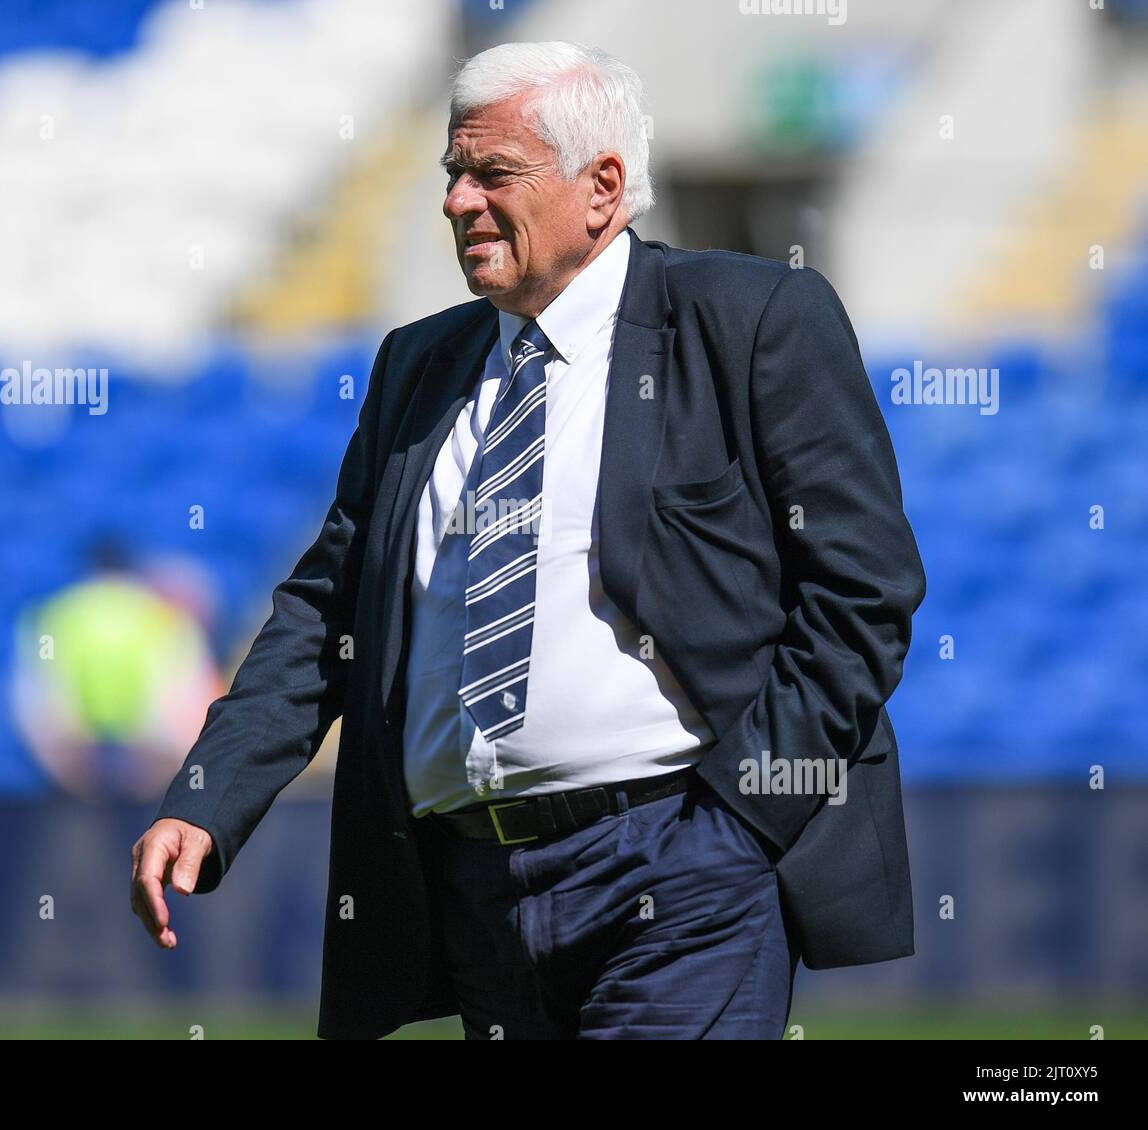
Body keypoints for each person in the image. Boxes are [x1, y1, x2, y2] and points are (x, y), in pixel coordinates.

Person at [130, 40, 926, 1040]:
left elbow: (863, 589)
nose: (460, 202)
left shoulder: (752, 318)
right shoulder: (416, 363)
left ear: (601, 188)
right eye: (451, 175)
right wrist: (205, 795)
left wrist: (733, 822)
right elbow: (324, 611)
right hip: (472, 888)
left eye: (491, 174)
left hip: (680, 870)